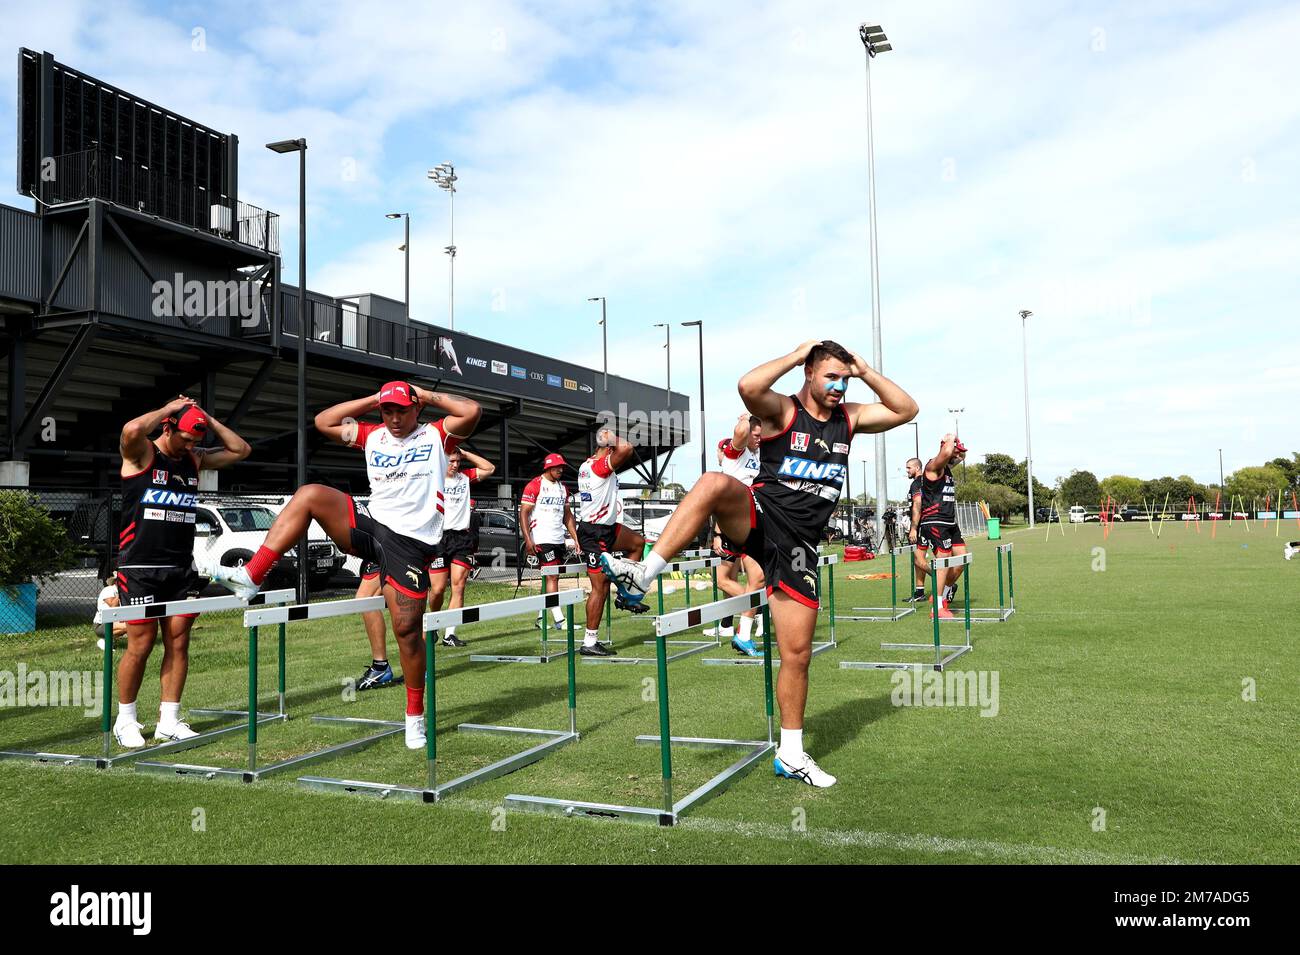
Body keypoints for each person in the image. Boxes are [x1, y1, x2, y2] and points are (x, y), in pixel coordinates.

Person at [600, 340, 917, 787]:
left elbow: (906, 409)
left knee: (797, 654)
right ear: (808, 373)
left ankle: (790, 755)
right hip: (762, 520)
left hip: (801, 547)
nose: (838, 386)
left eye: (843, 380)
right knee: (714, 482)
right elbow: (748, 386)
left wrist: (864, 370)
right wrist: (797, 352)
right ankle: (643, 574)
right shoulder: (783, 411)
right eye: (830, 376)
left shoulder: (851, 418)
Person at [210, 380, 480, 749]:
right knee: (309, 495)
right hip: (372, 528)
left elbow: (472, 411)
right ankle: (251, 575)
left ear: (416, 409)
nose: (395, 417)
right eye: (389, 411)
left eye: (402, 410)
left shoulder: (436, 435)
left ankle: (414, 716)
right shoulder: (372, 434)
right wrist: (373, 399)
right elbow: (323, 421)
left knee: (406, 632)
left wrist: (424, 395)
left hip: (411, 544)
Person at [114, 396, 251, 748]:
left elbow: (240, 449)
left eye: (196, 440)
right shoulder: (142, 454)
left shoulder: (192, 459)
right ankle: (125, 720)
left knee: (178, 641)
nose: (191, 445)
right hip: (140, 567)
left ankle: (169, 721)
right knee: (140, 644)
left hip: (180, 568)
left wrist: (206, 418)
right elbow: (130, 428)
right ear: (167, 426)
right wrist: (168, 407)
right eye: (186, 437)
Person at [575, 427, 649, 657]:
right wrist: (610, 436)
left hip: (608, 528)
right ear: (607, 449)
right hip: (593, 533)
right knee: (600, 586)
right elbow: (626, 447)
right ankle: (589, 642)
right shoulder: (597, 467)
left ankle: (625, 595)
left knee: (637, 543)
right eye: (612, 448)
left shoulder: (593, 464)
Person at [703, 412, 766, 656]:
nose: (759, 439)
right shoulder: (735, 452)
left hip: (751, 523)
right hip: (730, 527)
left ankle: (743, 633)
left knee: (758, 578)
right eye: (756, 435)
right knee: (723, 581)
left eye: (761, 435)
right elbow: (740, 433)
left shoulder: (755, 455)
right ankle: (756, 607)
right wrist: (746, 415)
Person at [427, 447, 495, 647]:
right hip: (439, 537)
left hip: (462, 539)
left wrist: (466, 454)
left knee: (459, 586)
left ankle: (450, 634)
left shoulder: (465, 478)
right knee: (438, 589)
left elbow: (489, 468)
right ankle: (434, 624)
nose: (455, 465)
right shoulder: (433, 478)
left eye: (458, 461)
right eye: (451, 461)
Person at [520, 453, 582, 631]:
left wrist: (575, 538)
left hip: (558, 538)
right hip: (541, 538)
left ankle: (541, 617)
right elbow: (523, 513)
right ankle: (559, 620)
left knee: (550, 578)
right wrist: (527, 539)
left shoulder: (564, 489)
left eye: (562, 467)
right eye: (557, 467)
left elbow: (568, 516)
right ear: (547, 467)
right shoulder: (535, 485)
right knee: (552, 576)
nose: (561, 470)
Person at [917, 435, 968, 619]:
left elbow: (961, 457)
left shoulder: (946, 468)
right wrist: (950, 439)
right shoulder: (933, 466)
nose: (957, 453)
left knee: (962, 559)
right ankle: (937, 609)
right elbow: (946, 452)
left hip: (950, 522)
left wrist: (959, 450)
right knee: (943, 561)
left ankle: (942, 595)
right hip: (935, 520)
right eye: (955, 449)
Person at [355, 561, 401, 691]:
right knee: (404, 597)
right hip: (388, 549)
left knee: (366, 599)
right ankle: (421, 666)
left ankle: (381, 667)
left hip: (388, 549)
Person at [904, 456, 928, 602]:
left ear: (917, 468)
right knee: (918, 559)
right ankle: (920, 592)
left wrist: (914, 528)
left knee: (919, 560)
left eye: (909, 468)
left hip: (922, 525)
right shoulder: (924, 481)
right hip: (924, 524)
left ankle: (945, 582)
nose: (907, 470)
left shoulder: (917, 483)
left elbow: (917, 505)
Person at [93, 574, 129, 650]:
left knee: (133, 624)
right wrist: (120, 592)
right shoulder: (109, 590)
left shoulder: (126, 592)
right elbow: (113, 607)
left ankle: (107, 641)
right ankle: (106, 641)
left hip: (116, 622)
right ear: (116, 581)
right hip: (102, 624)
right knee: (130, 626)